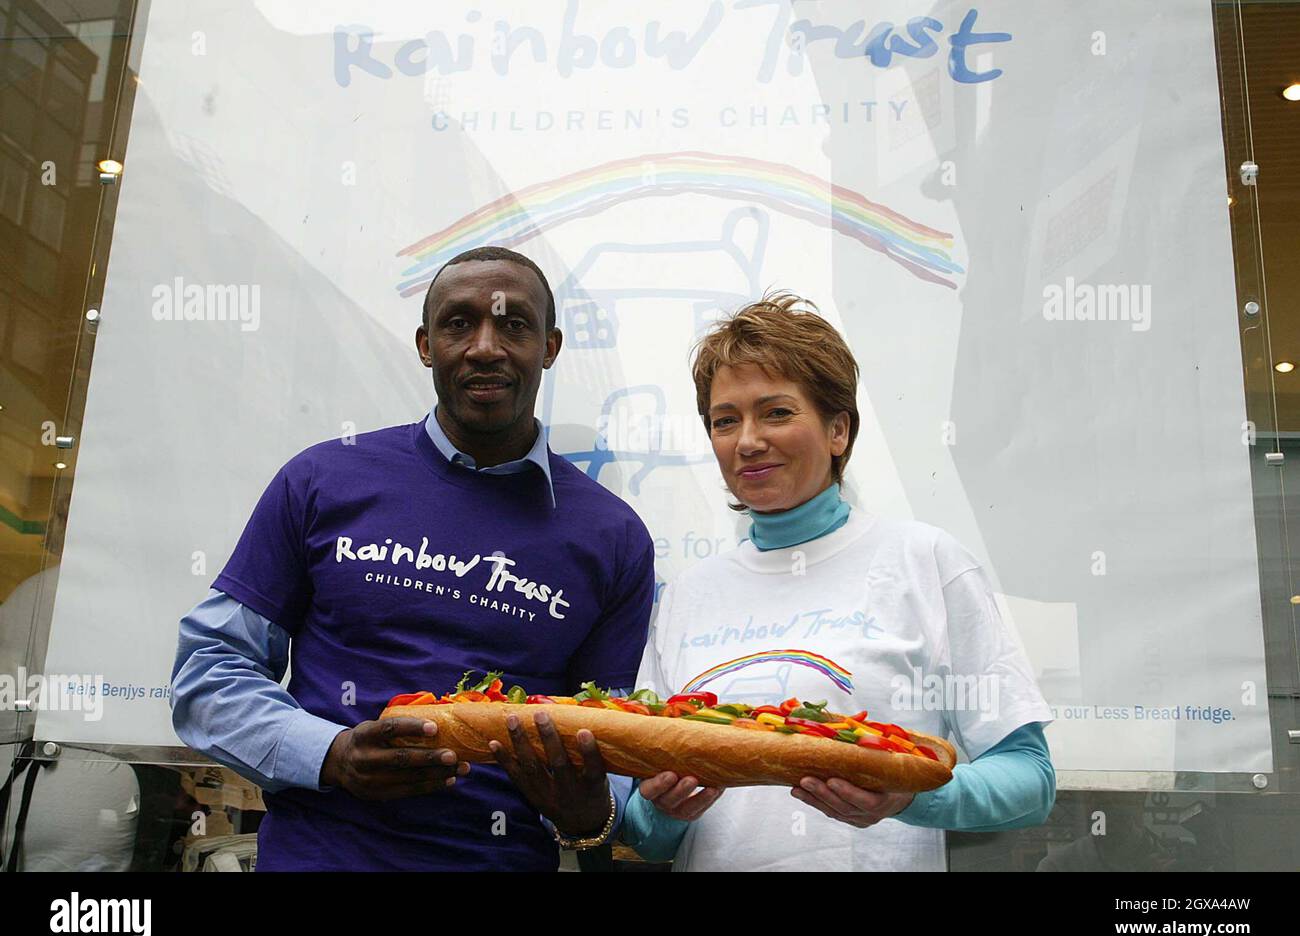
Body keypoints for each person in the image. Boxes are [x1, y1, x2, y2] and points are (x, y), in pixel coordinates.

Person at [172, 247, 655, 870]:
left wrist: (589, 809)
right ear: (426, 345)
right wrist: (330, 754)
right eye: (459, 323)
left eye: (514, 325)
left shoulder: (613, 535)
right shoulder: (322, 480)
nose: (486, 347)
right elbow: (210, 671)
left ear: (550, 347)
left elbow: (607, 744)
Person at [620, 293, 1056, 871]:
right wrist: (663, 813)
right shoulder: (685, 596)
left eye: (776, 412)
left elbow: (1031, 779)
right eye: (726, 420)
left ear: (838, 430)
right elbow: (646, 838)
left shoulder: (924, 561)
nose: (747, 440)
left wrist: (917, 797)